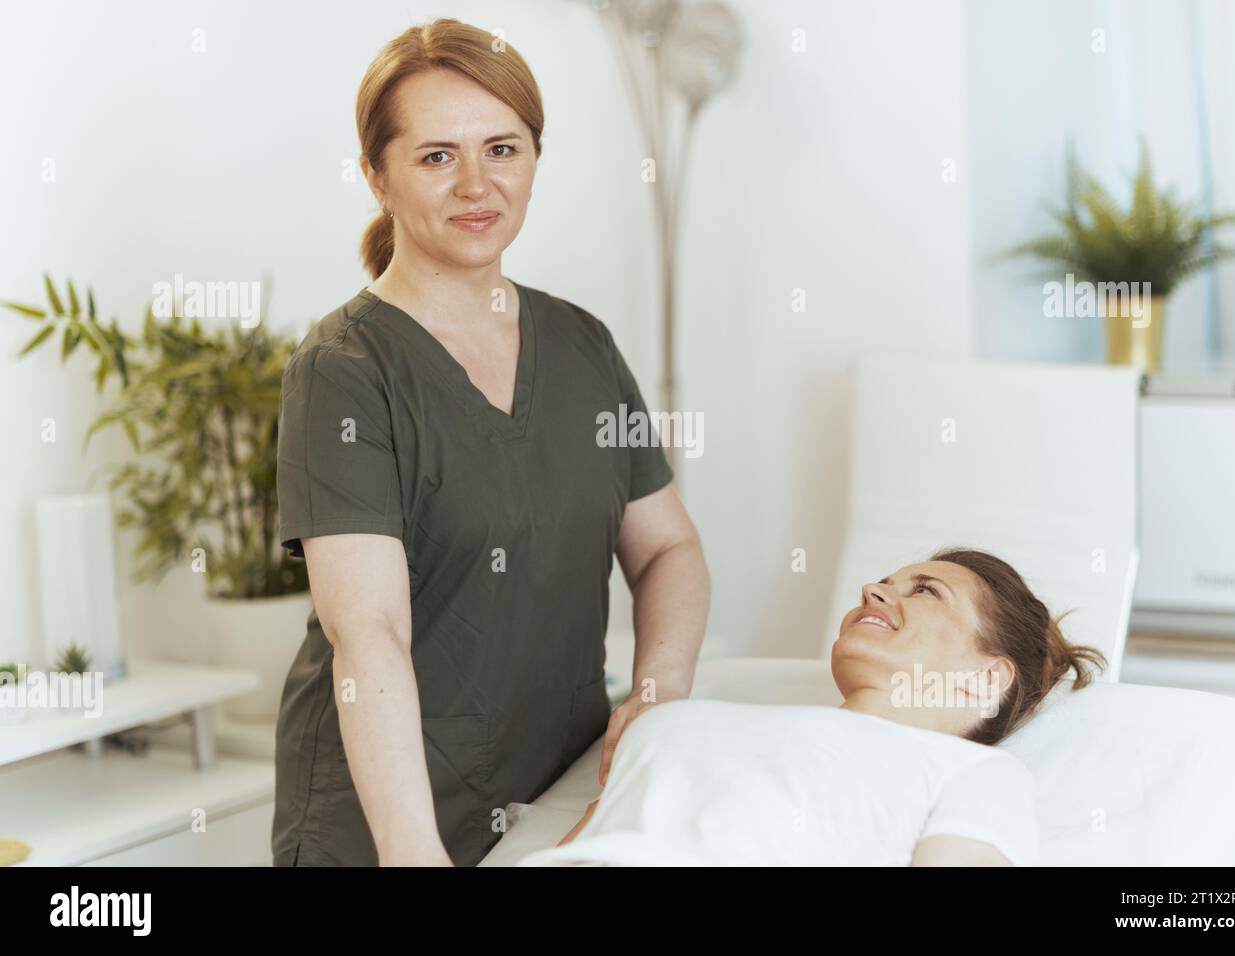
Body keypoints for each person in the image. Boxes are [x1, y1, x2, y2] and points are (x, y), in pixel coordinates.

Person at [271, 18, 709, 867]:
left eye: (502, 149)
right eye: (437, 156)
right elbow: (370, 637)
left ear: (535, 158)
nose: (477, 183)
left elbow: (668, 550)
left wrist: (657, 694)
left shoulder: (581, 344)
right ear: (377, 177)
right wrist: (411, 853)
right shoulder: (343, 371)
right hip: (388, 820)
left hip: (562, 796)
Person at [518, 548, 1106, 866]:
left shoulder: (973, 773)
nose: (872, 592)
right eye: (883, 583)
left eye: (924, 590)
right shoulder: (670, 721)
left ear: (985, 679)